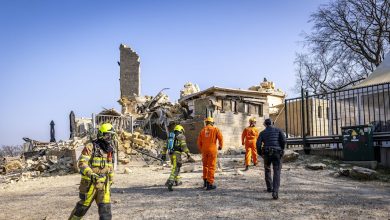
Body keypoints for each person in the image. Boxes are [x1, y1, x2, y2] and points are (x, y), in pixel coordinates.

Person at [69, 123, 115, 220]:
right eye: (107, 135)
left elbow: (110, 166)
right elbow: (82, 163)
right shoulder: (91, 146)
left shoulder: (109, 150)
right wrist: (91, 174)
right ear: (101, 134)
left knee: (106, 212)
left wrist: (111, 179)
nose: (109, 138)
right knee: (81, 209)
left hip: (104, 185)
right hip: (90, 184)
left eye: (111, 136)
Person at [256, 118, 286, 200]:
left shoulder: (262, 133)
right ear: (272, 123)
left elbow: (258, 144)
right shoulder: (279, 130)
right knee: (277, 171)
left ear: (265, 124)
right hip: (277, 153)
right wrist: (282, 149)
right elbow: (283, 140)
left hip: (266, 153)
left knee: (267, 169)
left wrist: (260, 153)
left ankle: (269, 187)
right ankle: (275, 191)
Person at [161, 124, 191, 191]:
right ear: (181, 130)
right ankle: (170, 182)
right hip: (176, 154)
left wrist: (163, 154)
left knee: (176, 166)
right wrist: (187, 153)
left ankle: (177, 181)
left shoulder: (171, 136)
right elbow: (184, 146)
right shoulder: (181, 136)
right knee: (176, 168)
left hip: (170, 154)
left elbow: (165, 146)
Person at [197, 117, 223, 190]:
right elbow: (220, 138)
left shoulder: (202, 131)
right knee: (211, 166)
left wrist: (202, 149)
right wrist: (220, 146)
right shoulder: (215, 129)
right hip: (212, 150)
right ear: (212, 123)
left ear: (206, 123)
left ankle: (205, 182)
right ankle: (209, 184)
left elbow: (198, 142)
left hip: (204, 150)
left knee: (205, 166)